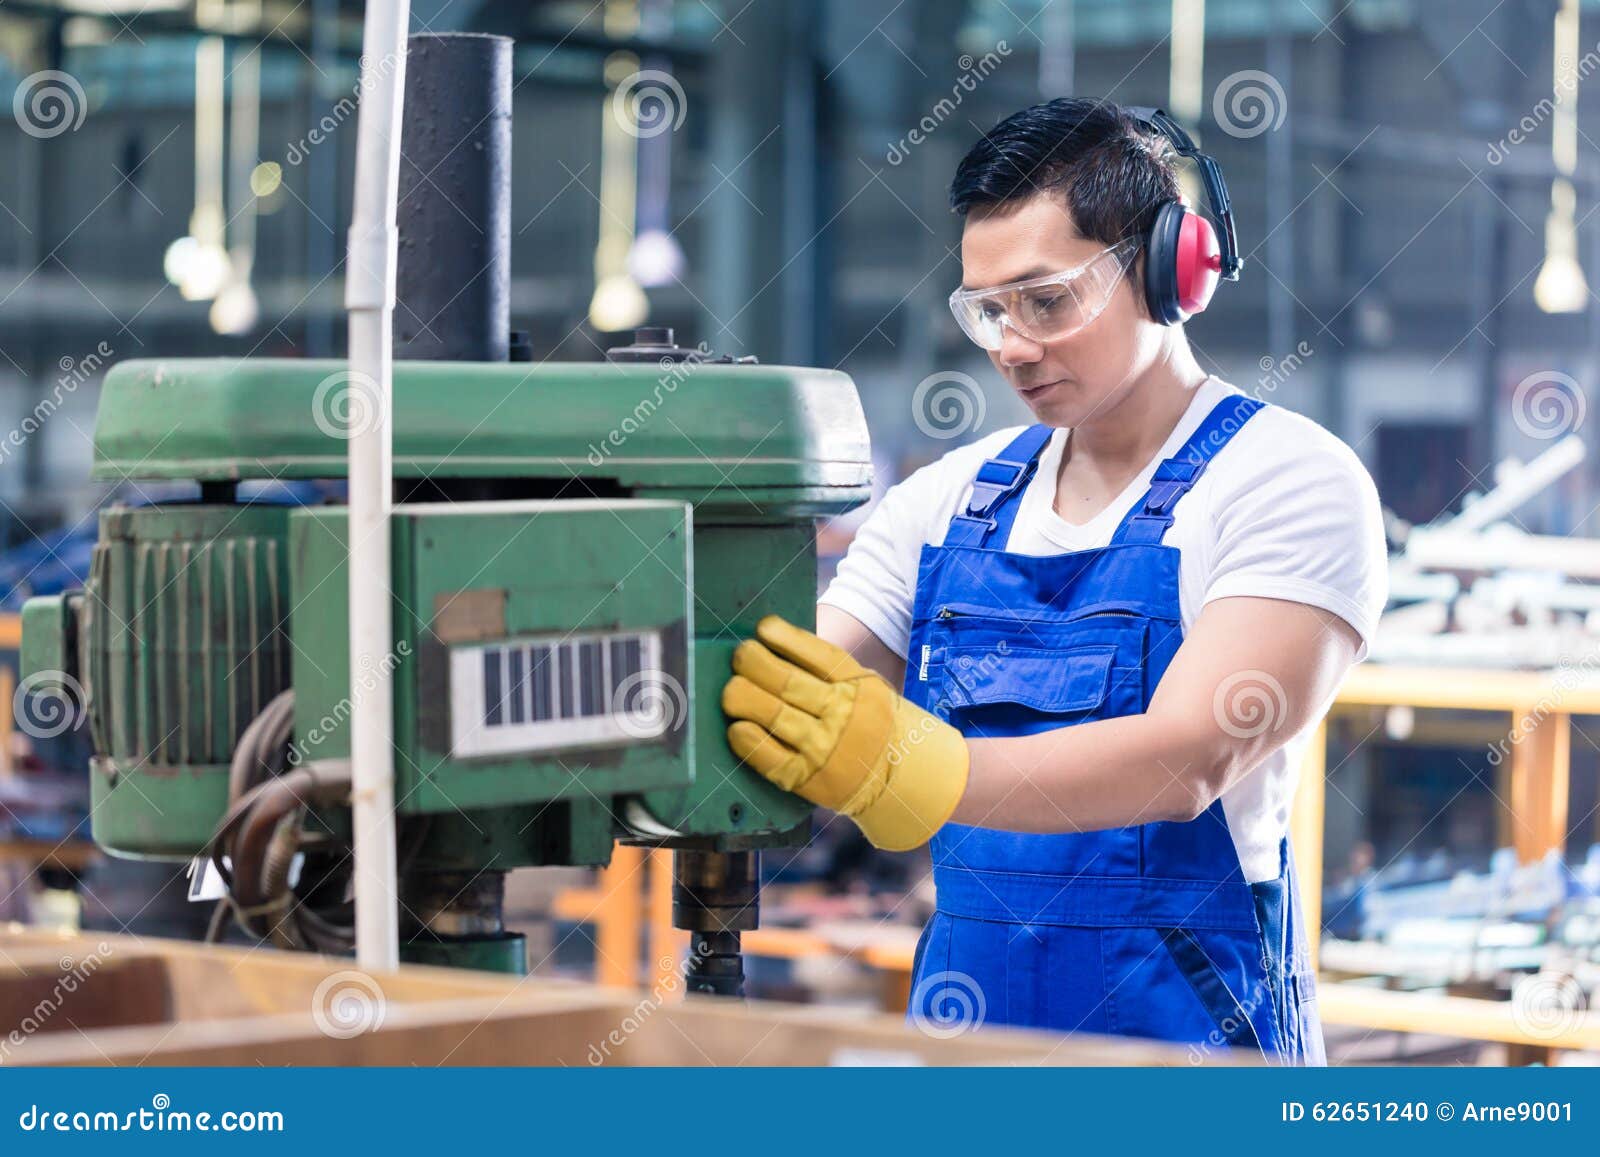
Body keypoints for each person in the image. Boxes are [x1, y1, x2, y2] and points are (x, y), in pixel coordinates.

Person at [720, 98, 1387, 1064]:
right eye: (987, 309)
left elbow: (1187, 757)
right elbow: (806, 674)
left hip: (1190, 1055)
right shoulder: (948, 500)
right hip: (969, 1046)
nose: (1010, 346)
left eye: (1046, 301)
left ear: (1169, 271)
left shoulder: (1290, 480)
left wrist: (915, 770)